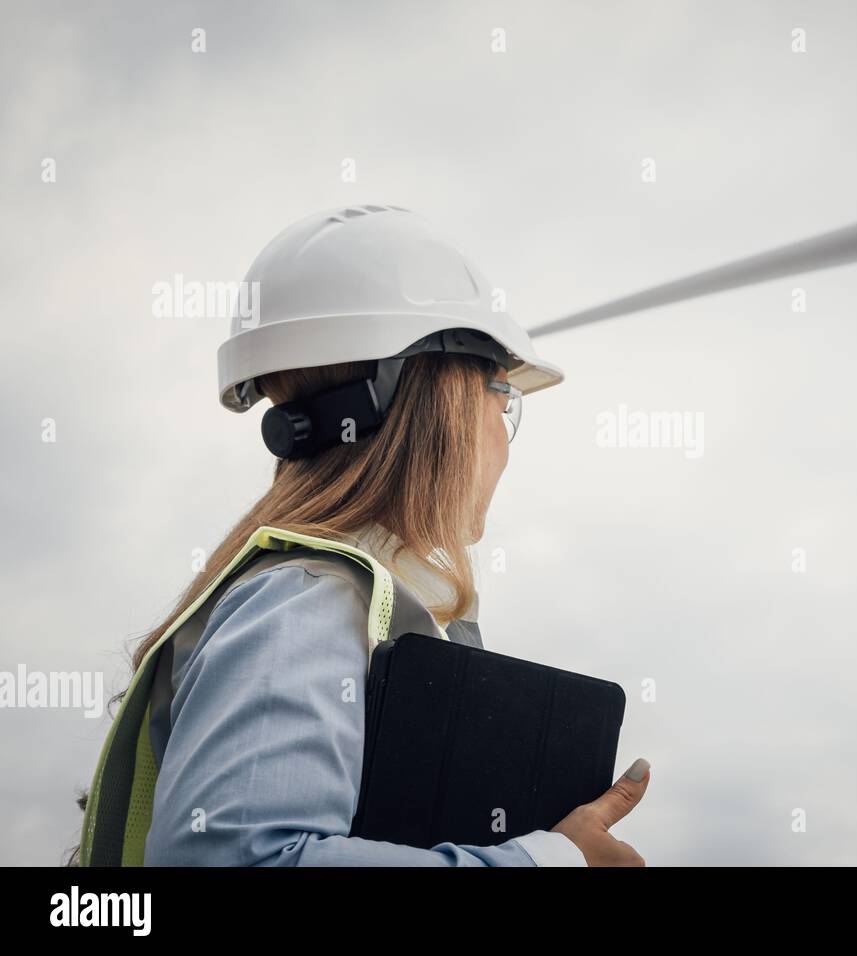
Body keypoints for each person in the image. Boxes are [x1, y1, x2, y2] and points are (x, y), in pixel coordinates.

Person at [69, 205, 650, 867]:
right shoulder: (306, 601)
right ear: (448, 401)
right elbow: (237, 862)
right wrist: (546, 862)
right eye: (501, 396)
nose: (503, 436)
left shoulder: (341, 602)